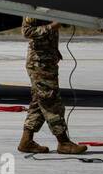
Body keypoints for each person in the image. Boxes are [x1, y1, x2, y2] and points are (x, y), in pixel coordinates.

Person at [19, 17, 85, 154]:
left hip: (47, 61)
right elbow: (26, 31)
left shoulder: (49, 8)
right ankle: (64, 142)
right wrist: (52, 27)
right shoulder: (34, 9)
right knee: (51, 102)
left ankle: (26, 141)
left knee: (38, 103)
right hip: (39, 64)